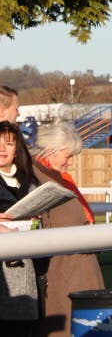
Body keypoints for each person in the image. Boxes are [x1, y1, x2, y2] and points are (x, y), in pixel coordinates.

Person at [32, 122, 104, 337]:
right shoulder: (37, 177)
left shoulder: (58, 178)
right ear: (51, 151)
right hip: (61, 274)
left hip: (76, 269)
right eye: (68, 156)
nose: (71, 163)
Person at [0, 121, 41, 335]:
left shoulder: (30, 181)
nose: (2, 149)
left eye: (8, 143)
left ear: (17, 149)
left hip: (28, 270)